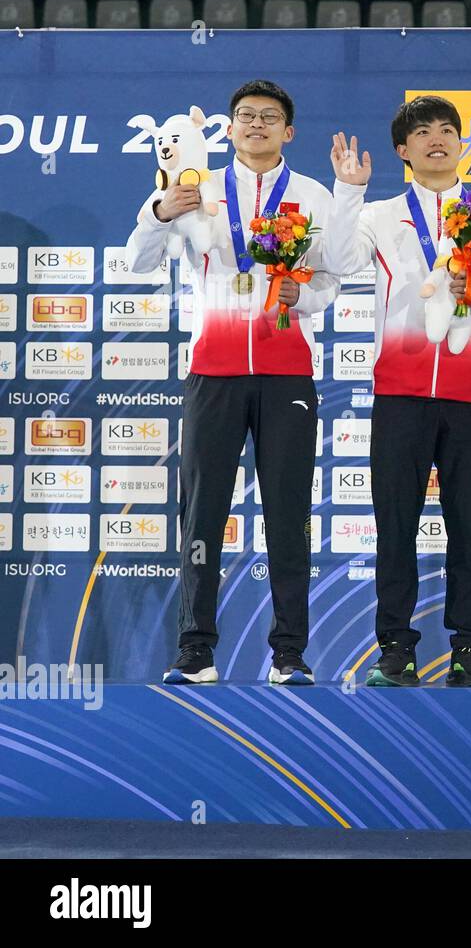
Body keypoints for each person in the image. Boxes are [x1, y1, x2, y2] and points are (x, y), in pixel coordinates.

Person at [126, 80, 339, 685]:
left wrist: (306, 293)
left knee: (288, 513)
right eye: (245, 116)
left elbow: (329, 283)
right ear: (229, 126)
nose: (256, 125)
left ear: (288, 131)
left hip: (286, 371)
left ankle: (290, 653)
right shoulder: (196, 186)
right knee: (202, 513)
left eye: (269, 117)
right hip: (213, 372)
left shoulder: (312, 195)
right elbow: (139, 260)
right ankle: (196, 649)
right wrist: (159, 211)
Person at [324, 97, 471, 687]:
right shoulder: (380, 216)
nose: (436, 139)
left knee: (469, 527)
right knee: (396, 526)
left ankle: (469, 647)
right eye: (422, 132)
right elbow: (338, 260)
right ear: (402, 151)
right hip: (401, 391)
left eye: (447, 130)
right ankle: (396, 649)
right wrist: (346, 192)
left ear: (462, 144)